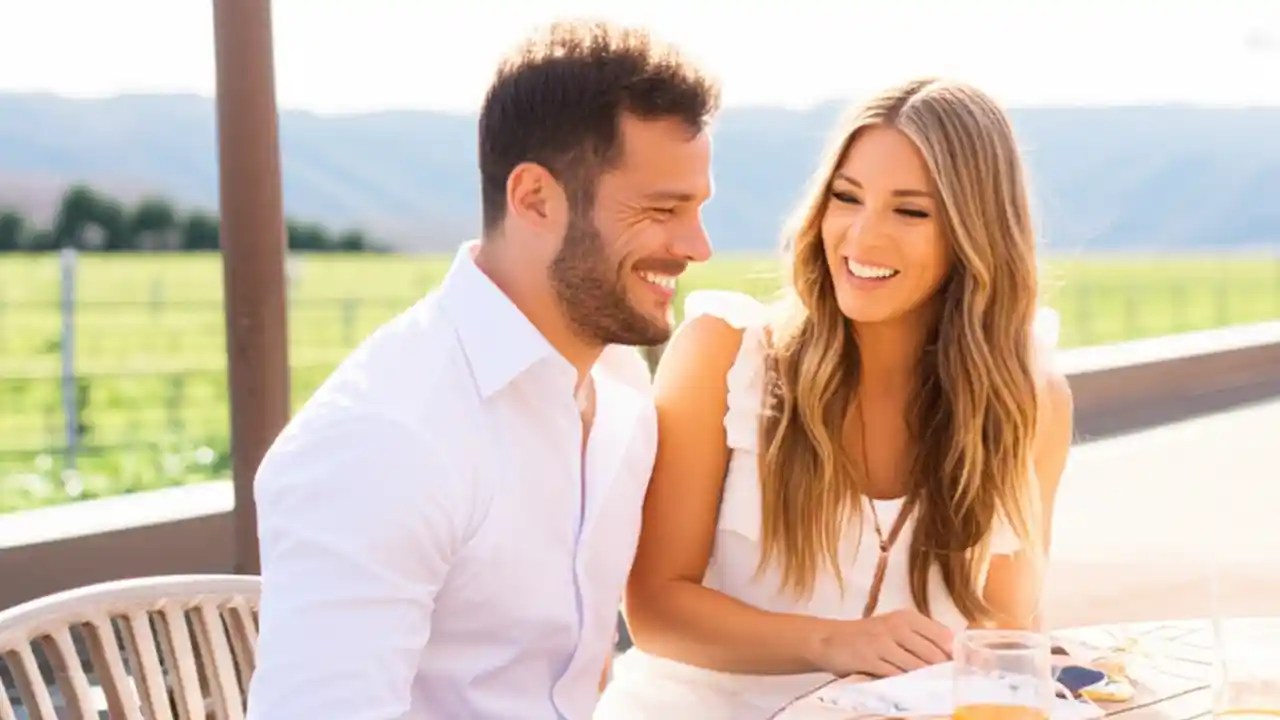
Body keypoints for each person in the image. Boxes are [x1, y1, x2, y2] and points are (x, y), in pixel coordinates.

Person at [245, 20, 719, 720]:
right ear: (534, 199)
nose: (697, 246)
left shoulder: (619, 383)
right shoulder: (383, 439)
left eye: (697, 209)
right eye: (660, 210)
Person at [593, 78, 1075, 719]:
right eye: (847, 198)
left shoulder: (1027, 403)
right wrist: (835, 642)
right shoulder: (725, 357)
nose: (860, 238)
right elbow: (655, 608)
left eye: (911, 211)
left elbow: (1006, 630)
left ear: (975, 235)